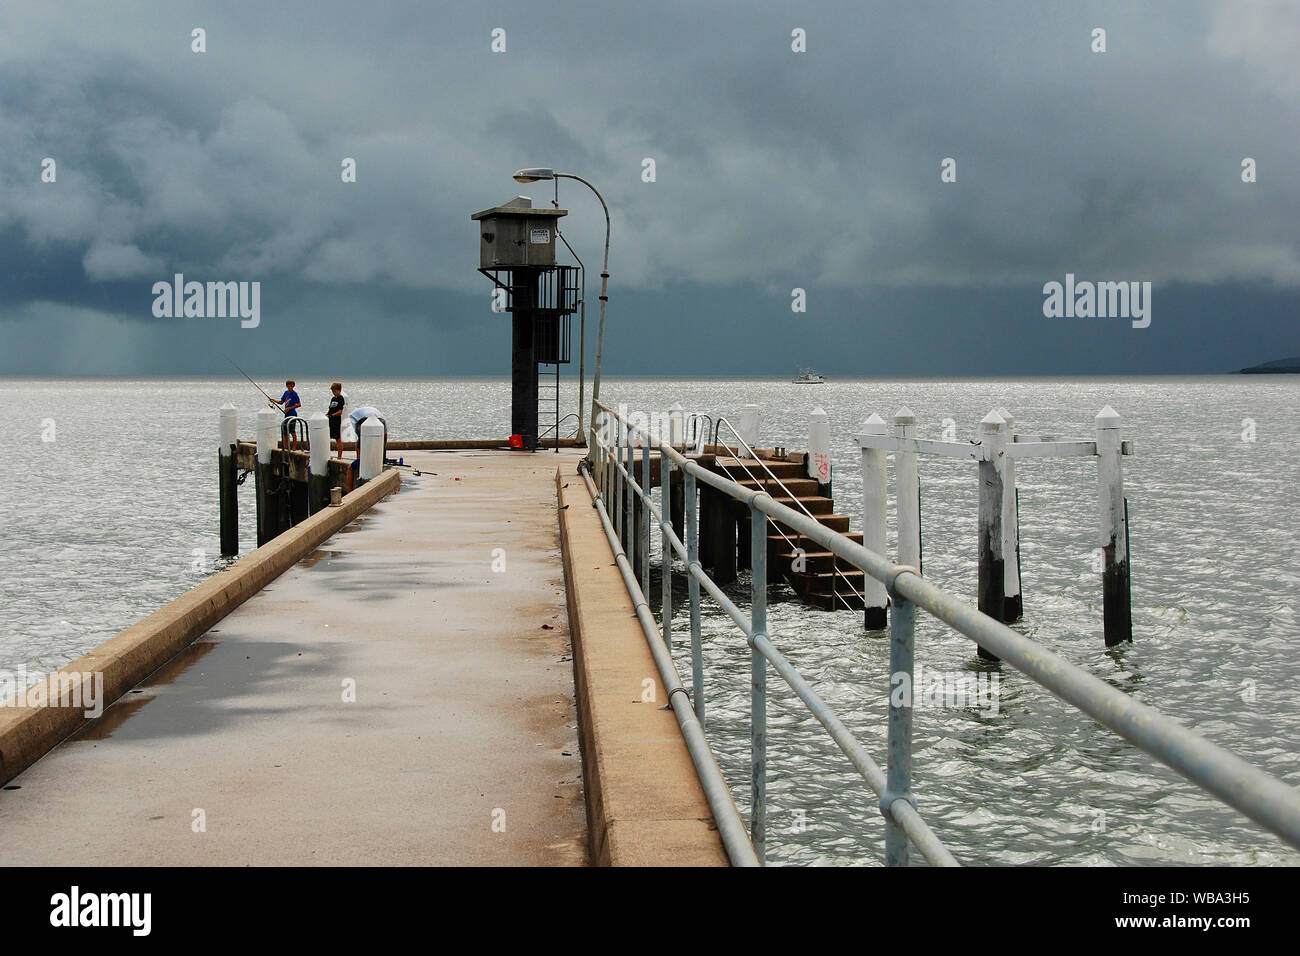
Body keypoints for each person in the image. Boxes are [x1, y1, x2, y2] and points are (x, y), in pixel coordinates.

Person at [347, 406, 387, 492]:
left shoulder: (368, 426)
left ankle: (349, 491)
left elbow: (385, 439)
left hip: (368, 416)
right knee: (360, 440)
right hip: (361, 416)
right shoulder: (378, 426)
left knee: (350, 467)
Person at [272, 379, 303, 450]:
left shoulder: (294, 394)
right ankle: (285, 447)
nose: (290, 387)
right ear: (286, 386)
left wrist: (289, 408)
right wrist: (274, 400)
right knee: (285, 431)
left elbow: (299, 404)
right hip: (286, 415)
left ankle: (294, 447)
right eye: (288, 385)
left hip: (292, 415)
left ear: (293, 386)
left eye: (291, 385)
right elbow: (281, 402)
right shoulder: (286, 393)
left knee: (292, 431)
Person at [326, 382, 346, 460]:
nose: (333, 392)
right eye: (332, 391)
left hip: (336, 421)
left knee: (338, 438)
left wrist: (332, 415)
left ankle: (339, 456)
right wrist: (327, 415)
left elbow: (340, 411)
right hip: (330, 420)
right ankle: (328, 454)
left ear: (339, 390)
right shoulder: (333, 398)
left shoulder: (341, 398)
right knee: (328, 437)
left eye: (334, 391)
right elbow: (330, 409)